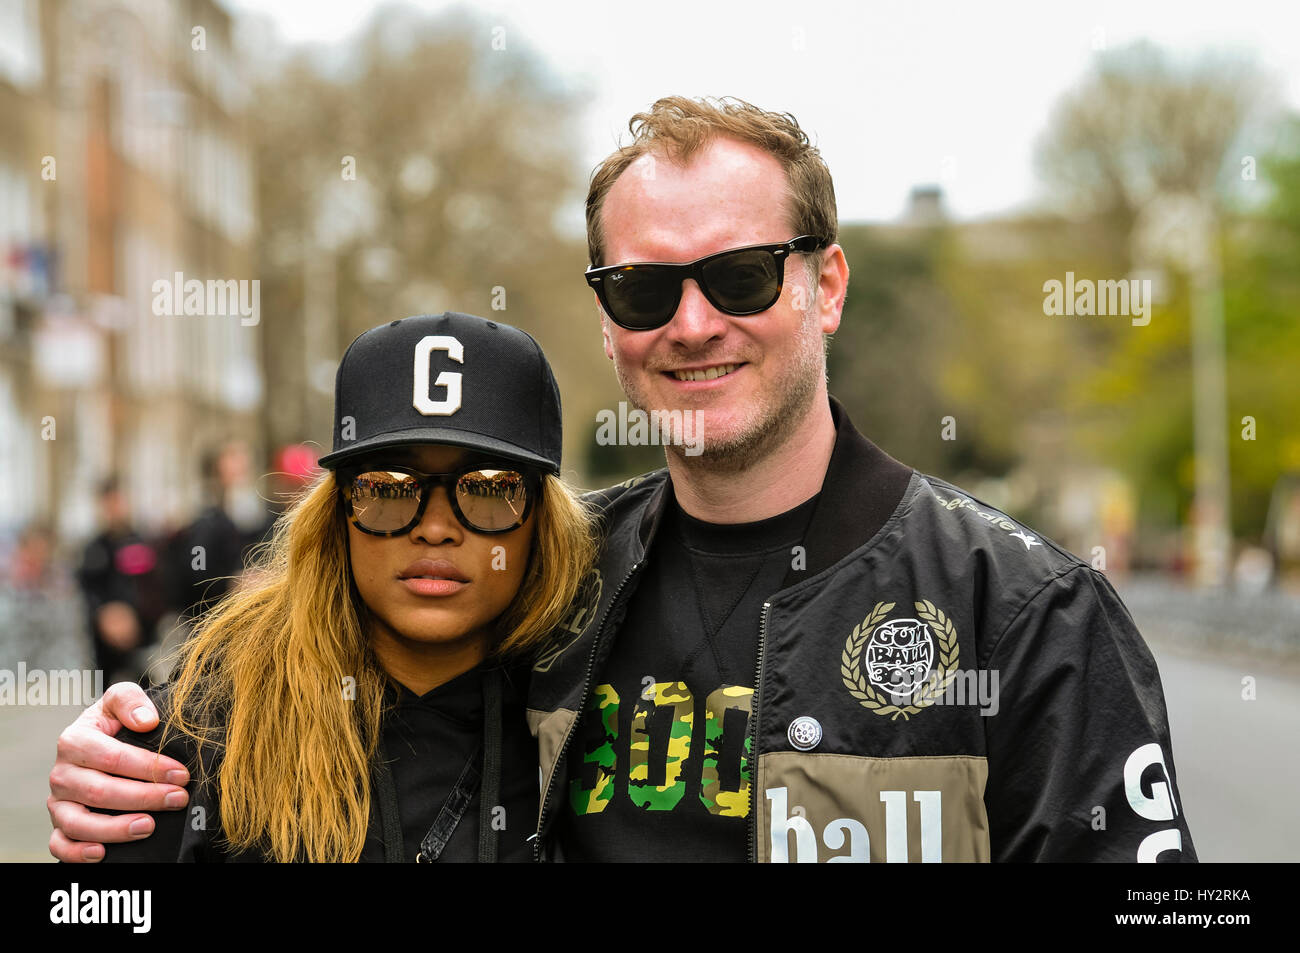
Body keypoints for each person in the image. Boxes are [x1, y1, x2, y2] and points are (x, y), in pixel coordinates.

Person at [49, 97, 1195, 864]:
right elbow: (324, 652)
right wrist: (129, 747)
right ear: (606, 318)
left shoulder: (1022, 607)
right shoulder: (546, 576)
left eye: (742, 276)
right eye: (645, 288)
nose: (693, 323)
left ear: (826, 284)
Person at [65, 311, 597, 862]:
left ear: (543, 522)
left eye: (490, 487)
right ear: (337, 513)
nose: (436, 528)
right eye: (388, 488)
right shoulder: (202, 735)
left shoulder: (601, 712)